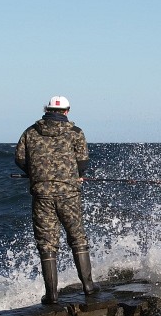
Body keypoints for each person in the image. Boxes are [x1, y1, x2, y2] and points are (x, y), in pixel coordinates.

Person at [15, 95, 99, 304]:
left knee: (47, 243)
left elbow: (20, 159)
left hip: (42, 194)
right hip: (69, 193)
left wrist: (34, 173)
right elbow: (83, 161)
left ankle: (51, 294)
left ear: (47, 109)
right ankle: (88, 286)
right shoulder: (75, 132)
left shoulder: (30, 132)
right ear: (67, 111)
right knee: (77, 238)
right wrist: (77, 174)